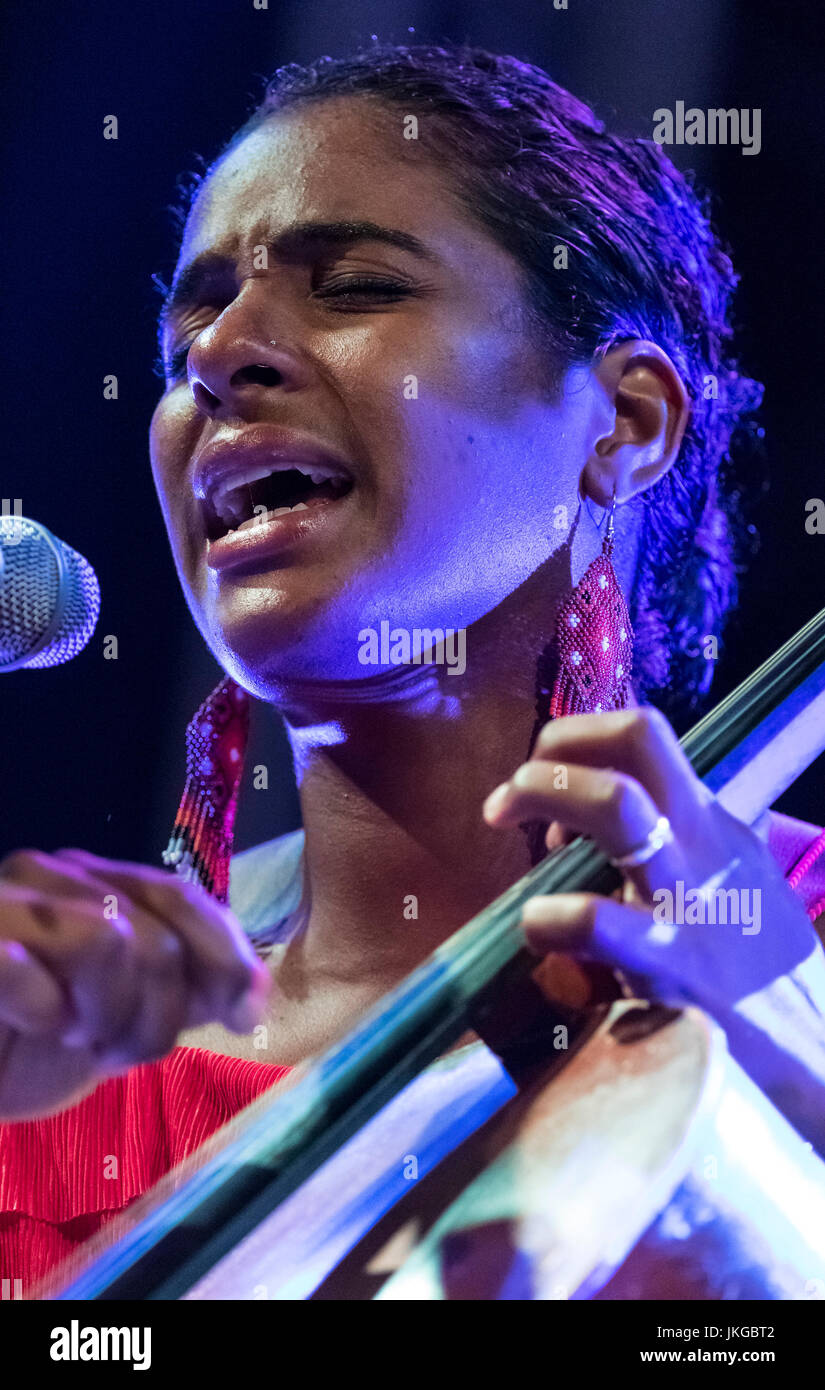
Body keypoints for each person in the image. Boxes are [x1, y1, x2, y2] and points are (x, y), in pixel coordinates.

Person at [1, 43, 825, 1295]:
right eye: (191, 326)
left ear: (626, 420)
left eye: (355, 286)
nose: (221, 353)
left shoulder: (792, 936)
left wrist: (785, 1064)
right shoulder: (69, 1037)